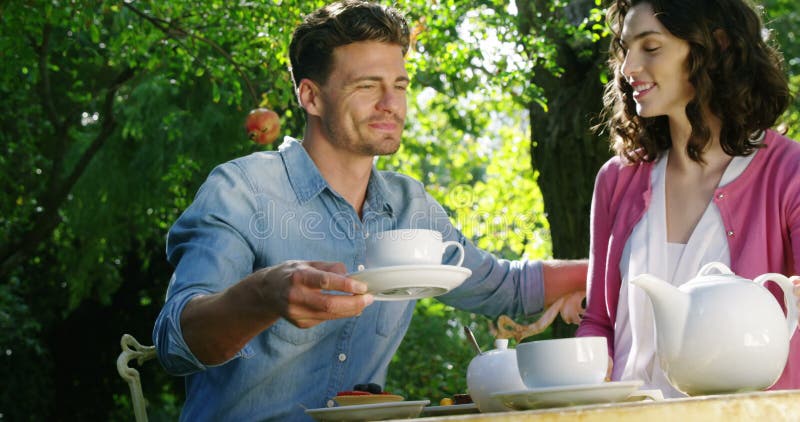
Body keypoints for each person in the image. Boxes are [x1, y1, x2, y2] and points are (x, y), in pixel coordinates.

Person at [152, 1, 588, 420]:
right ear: (311, 97)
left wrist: (618, 269)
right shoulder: (241, 190)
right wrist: (261, 296)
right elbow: (176, 343)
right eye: (367, 86)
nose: (391, 104)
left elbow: (507, 288)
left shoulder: (410, 206)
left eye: (399, 86)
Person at [576, 0, 800, 398]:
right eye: (626, 48)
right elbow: (598, 323)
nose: (628, 67)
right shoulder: (617, 179)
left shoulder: (788, 173)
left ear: (714, 46)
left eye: (651, 46)